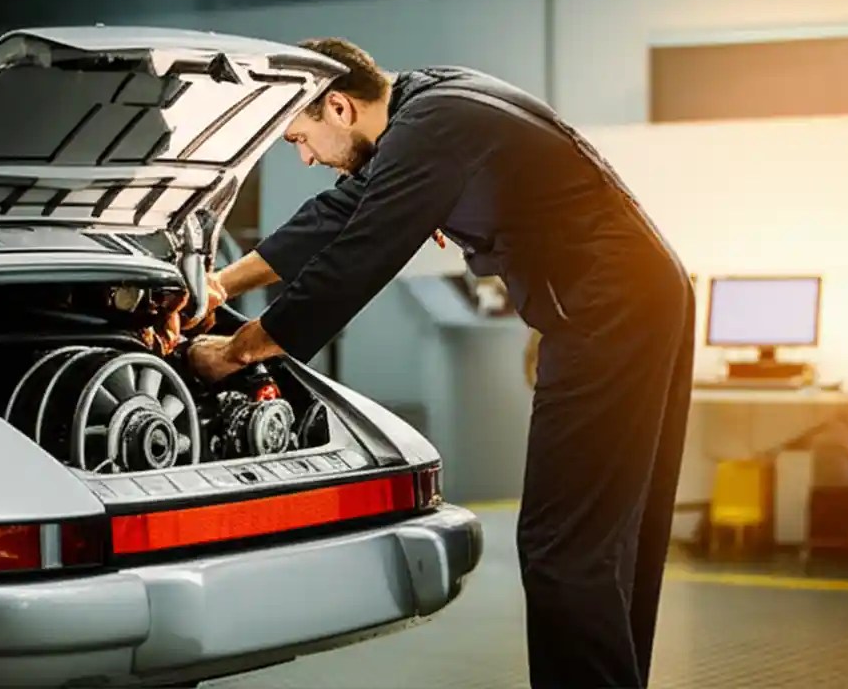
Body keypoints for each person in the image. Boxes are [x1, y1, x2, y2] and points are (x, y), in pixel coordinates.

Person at [184, 37, 696, 689]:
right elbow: (338, 214)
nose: (306, 156)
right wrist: (222, 286)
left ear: (339, 107)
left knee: (565, 551)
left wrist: (236, 350)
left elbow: (358, 259)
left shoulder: (430, 129)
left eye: (299, 139)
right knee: (605, 545)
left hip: (612, 310)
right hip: (630, 298)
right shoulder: (428, 102)